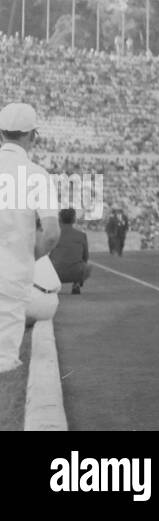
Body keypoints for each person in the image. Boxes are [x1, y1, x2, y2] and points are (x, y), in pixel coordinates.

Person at [0, 102, 61, 375]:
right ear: (32, 135)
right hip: (14, 271)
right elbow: (50, 234)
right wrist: (30, 255)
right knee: (4, 361)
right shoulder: (37, 175)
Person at [49, 208, 92, 293]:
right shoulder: (81, 235)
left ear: (60, 219)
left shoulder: (53, 234)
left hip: (55, 273)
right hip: (76, 272)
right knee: (88, 267)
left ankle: (50, 285)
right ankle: (76, 283)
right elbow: (85, 257)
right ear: (74, 220)